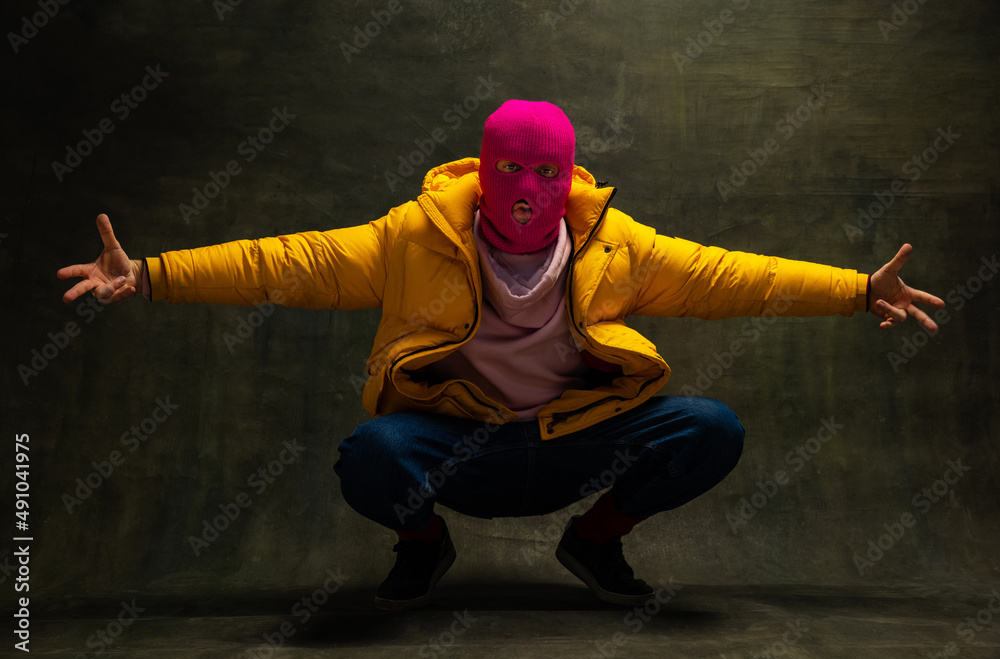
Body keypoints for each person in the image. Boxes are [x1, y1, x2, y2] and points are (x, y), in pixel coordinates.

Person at [58, 100, 945, 611]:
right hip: (460, 445)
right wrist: (152, 274)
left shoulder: (614, 243)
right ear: (483, 172)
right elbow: (289, 262)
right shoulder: (413, 236)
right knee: (370, 453)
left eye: (548, 176)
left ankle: (596, 541)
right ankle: (423, 541)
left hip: (575, 439)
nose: (529, 194)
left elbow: (730, 276)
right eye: (511, 174)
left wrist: (859, 287)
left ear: (573, 181)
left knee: (710, 427)